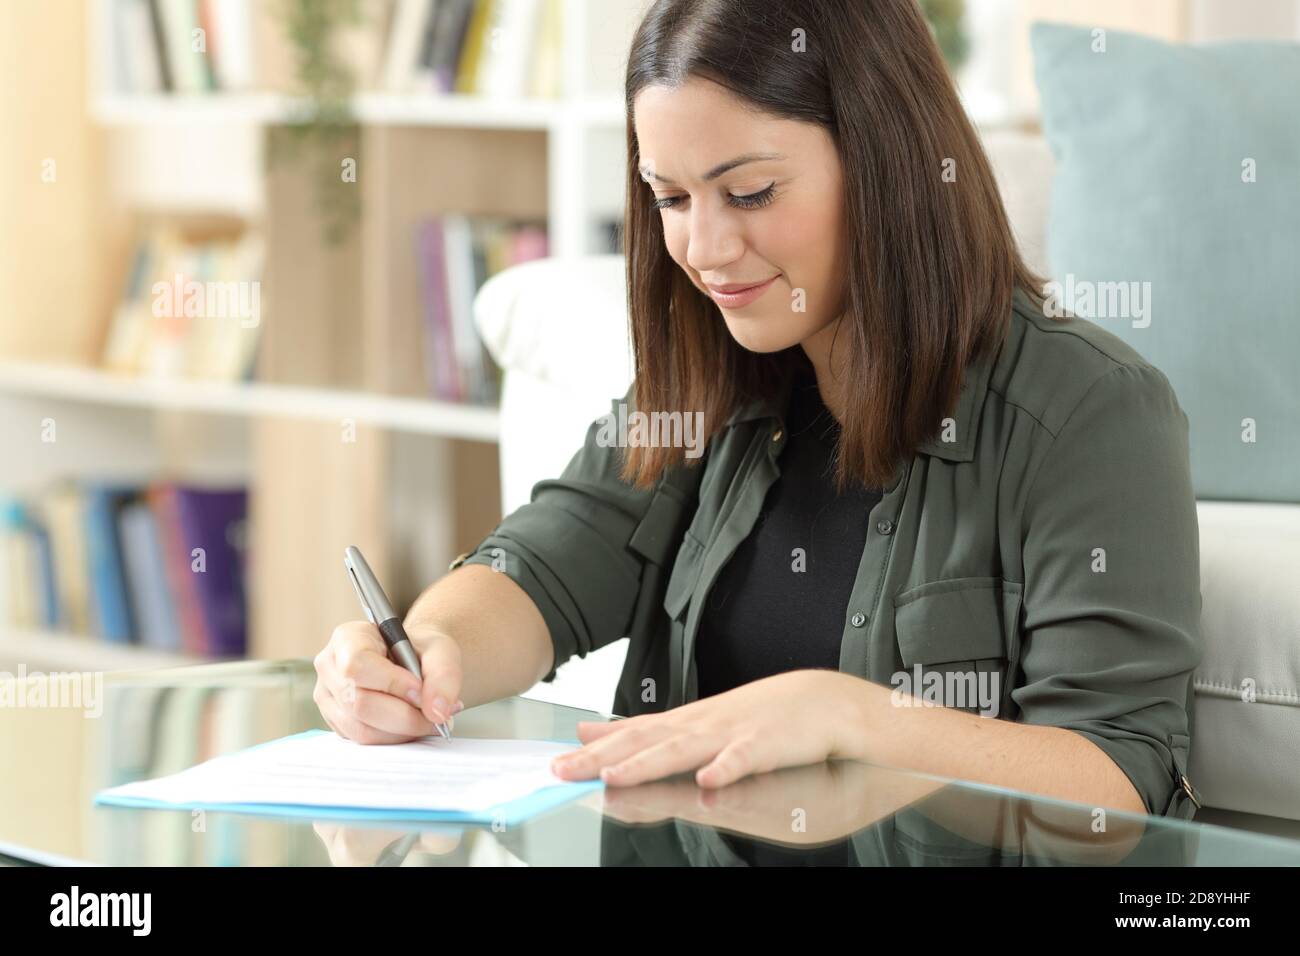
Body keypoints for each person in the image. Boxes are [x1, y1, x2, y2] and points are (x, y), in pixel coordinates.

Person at [313, 0, 1202, 819]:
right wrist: (425, 653)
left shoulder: (1093, 413)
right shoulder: (713, 381)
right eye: (669, 197)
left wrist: (853, 720)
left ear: (886, 163)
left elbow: (1118, 780)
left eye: (749, 194)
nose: (704, 249)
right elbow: (543, 564)